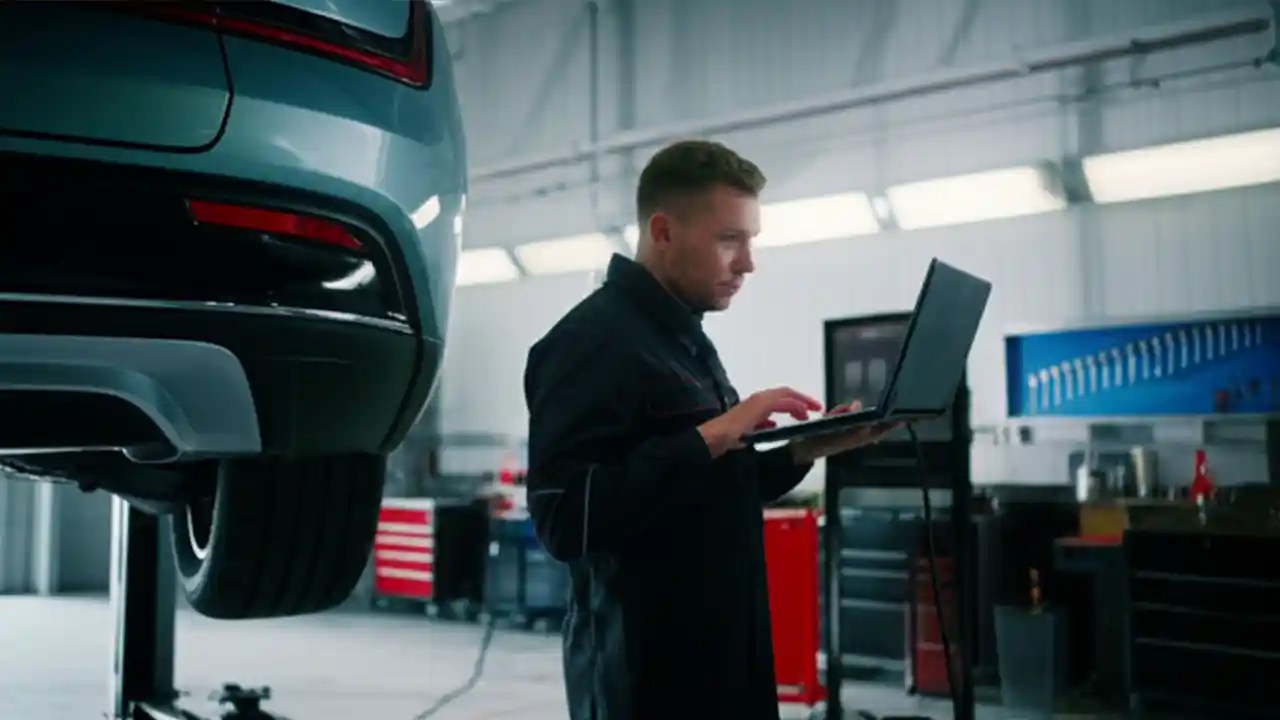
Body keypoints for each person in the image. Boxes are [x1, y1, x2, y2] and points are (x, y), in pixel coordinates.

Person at [523, 139, 897, 719]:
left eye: (751, 242)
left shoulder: (682, 339)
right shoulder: (588, 342)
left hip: (723, 661)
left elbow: (710, 485)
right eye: (730, 240)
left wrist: (805, 448)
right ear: (664, 231)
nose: (747, 263)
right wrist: (714, 434)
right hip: (645, 683)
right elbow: (564, 519)